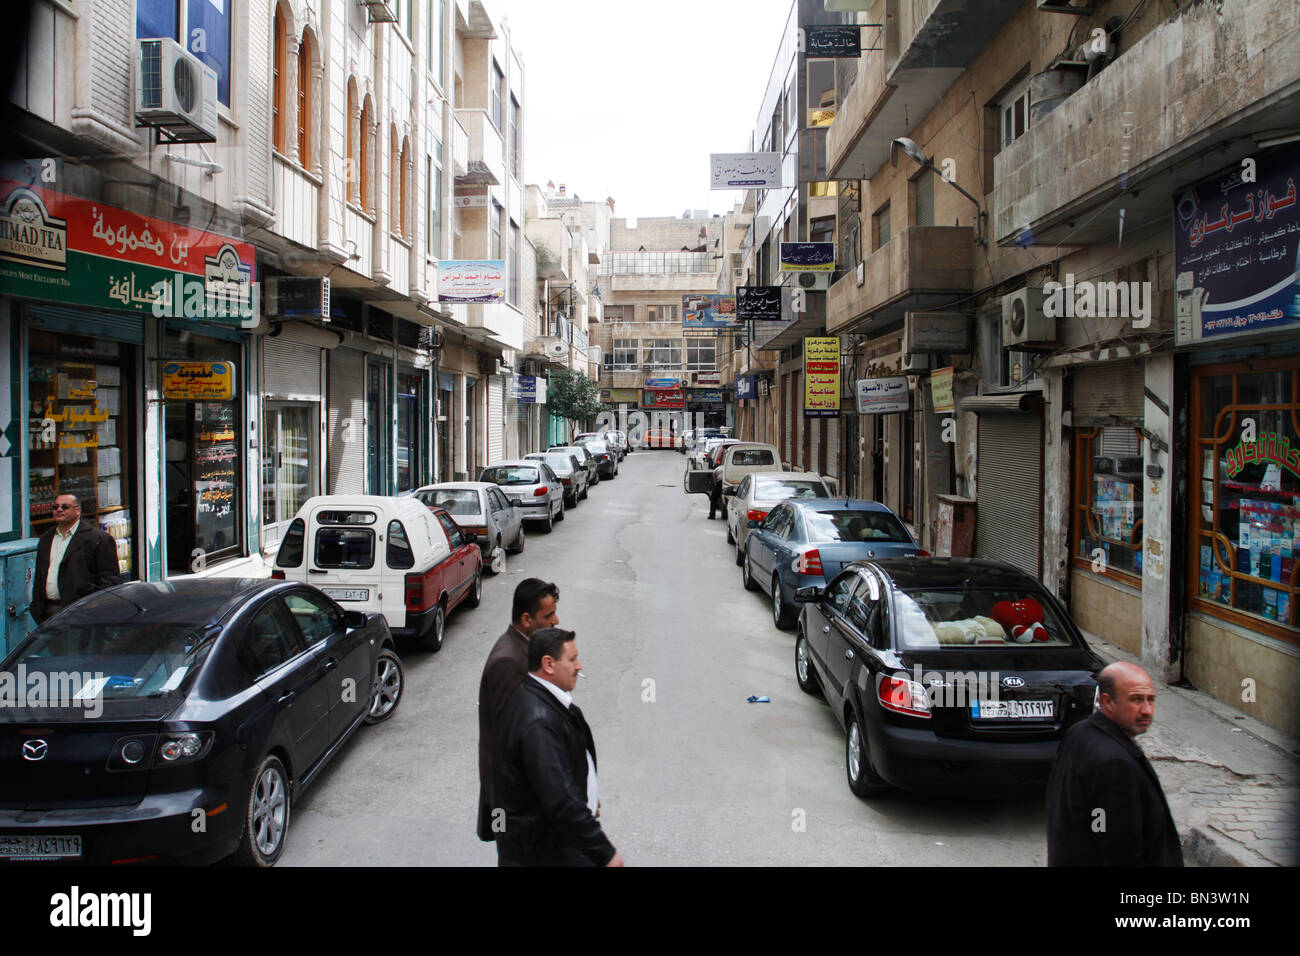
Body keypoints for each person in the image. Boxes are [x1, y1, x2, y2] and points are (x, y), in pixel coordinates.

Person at [492, 627, 623, 867]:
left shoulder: (537, 700)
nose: (579, 666)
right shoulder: (538, 721)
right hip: (548, 853)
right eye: (572, 659)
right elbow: (559, 798)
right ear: (548, 664)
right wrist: (605, 853)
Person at [1045, 661, 1183, 866]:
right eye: (1136, 700)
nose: (1146, 710)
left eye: (1150, 700)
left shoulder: (1081, 732)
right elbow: (1119, 848)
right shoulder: (1115, 764)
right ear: (1108, 702)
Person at [476, 578, 560, 842]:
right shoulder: (508, 662)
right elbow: (510, 740)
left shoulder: (524, 650)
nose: (556, 621)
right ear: (526, 619)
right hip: (513, 801)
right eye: (548, 615)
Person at [30, 494, 122, 624]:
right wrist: (36, 606)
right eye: (55, 507)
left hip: (82, 613)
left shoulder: (97, 539)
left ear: (77, 510)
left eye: (65, 507)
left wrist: (93, 606)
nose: (59, 510)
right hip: (49, 612)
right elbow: (39, 576)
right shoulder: (46, 539)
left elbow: (109, 579)